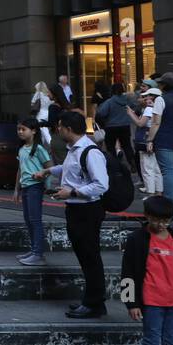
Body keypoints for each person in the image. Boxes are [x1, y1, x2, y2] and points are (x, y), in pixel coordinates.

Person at [48, 110, 111, 318]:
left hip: (87, 210)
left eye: (60, 126)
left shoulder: (90, 151)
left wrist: (73, 192)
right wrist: (49, 171)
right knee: (84, 256)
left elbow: (101, 184)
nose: (58, 130)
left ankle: (94, 303)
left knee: (90, 256)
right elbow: (69, 169)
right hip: (75, 209)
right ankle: (91, 300)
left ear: (68, 128)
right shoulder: (73, 150)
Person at [121, 195, 173, 345]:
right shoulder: (137, 239)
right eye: (157, 220)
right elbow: (127, 271)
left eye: (166, 221)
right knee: (152, 342)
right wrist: (131, 303)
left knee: (172, 344)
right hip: (152, 301)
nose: (162, 225)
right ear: (147, 216)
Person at [14, 118, 55, 265]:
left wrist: (43, 179)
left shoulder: (38, 149)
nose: (20, 132)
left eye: (23, 129)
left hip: (35, 187)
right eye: (19, 129)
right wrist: (16, 189)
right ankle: (34, 250)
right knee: (28, 219)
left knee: (35, 220)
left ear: (34, 131)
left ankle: (38, 253)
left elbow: (49, 166)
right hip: (25, 187)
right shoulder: (22, 149)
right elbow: (20, 169)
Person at [96, 82, 138, 178]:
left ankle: (115, 165)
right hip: (125, 125)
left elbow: (101, 113)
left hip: (111, 126)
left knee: (110, 147)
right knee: (127, 145)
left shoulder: (110, 101)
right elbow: (134, 107)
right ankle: (132, 163)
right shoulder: (127, 100)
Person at [152, 72, 173, 202]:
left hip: (164, 139)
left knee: (168, 171)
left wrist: (149, 139)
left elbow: (156, 122)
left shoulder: (161, 99)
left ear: (165, 85)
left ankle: (170, 202)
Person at [134, 87, 163, 195]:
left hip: (148, 139)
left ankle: (151, 193)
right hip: (159, 139)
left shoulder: (149, 109)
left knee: (147, 168)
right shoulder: (160, 107)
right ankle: (158, 192)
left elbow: (141, 123)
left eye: (147, 96)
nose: (145, 98)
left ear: (153, 97)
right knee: (156, 168)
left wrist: (149, 140)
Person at [31, 81, 55, 147]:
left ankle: (50, 143)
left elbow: (32, 103)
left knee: (43, 129)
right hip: (48, 112)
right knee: (43, 130)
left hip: (41, 113)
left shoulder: (38, 93)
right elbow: (53, 101)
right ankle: (42, 146)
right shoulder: (49, 93)